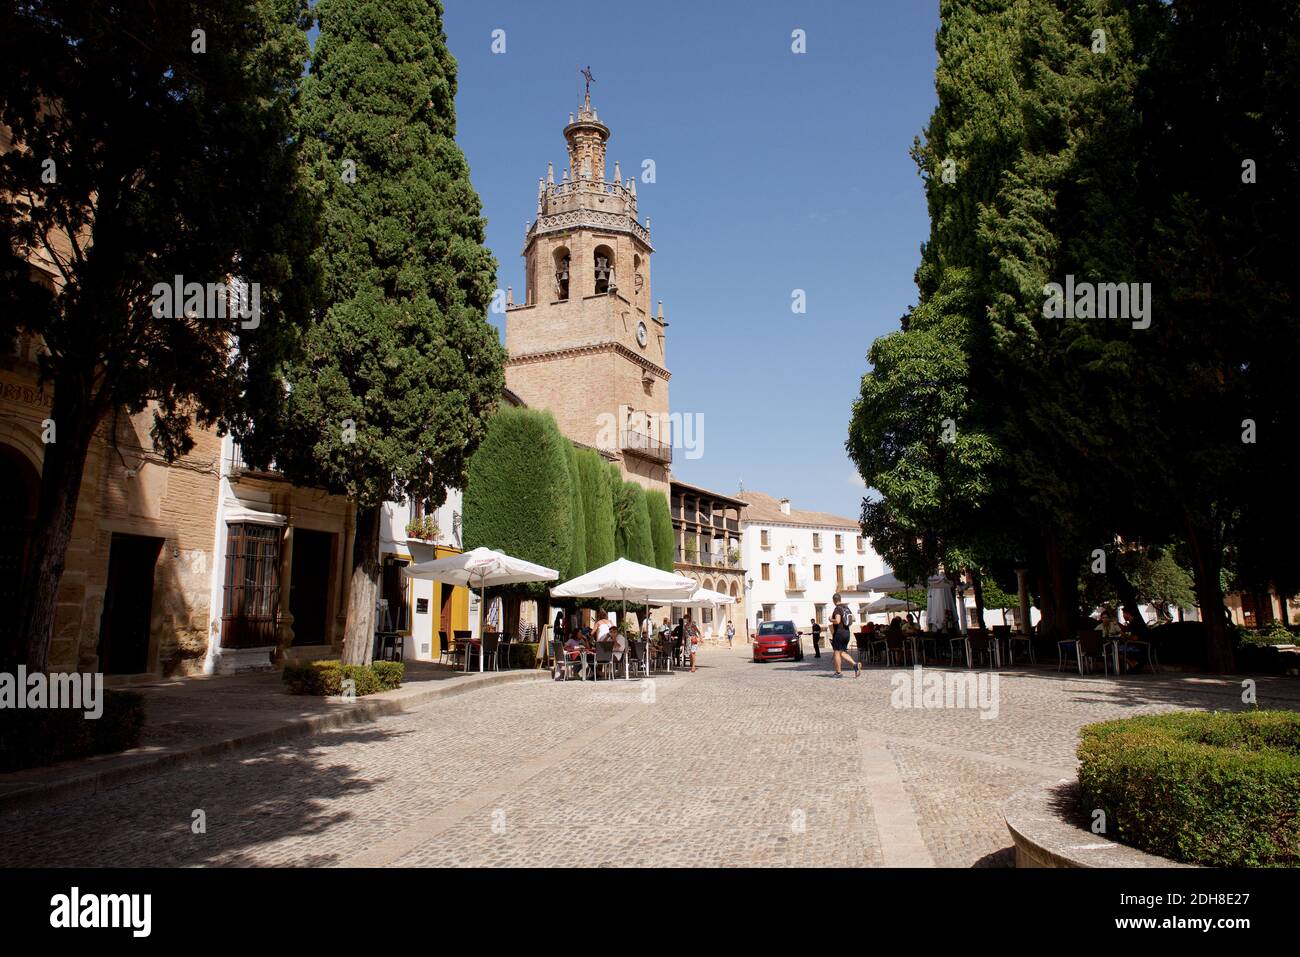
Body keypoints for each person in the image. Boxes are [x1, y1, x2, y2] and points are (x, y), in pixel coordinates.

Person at [829, 593, 860, 678]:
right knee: (842, 652)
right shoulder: (846, 608)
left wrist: (831, 619)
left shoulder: (837, 609)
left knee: (836, 652)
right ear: (840, 599)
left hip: (839, 633)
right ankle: (855, 665)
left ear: (834, 600)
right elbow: (853, 618)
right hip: (847, 632)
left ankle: (838, 673)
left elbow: (838, 621)